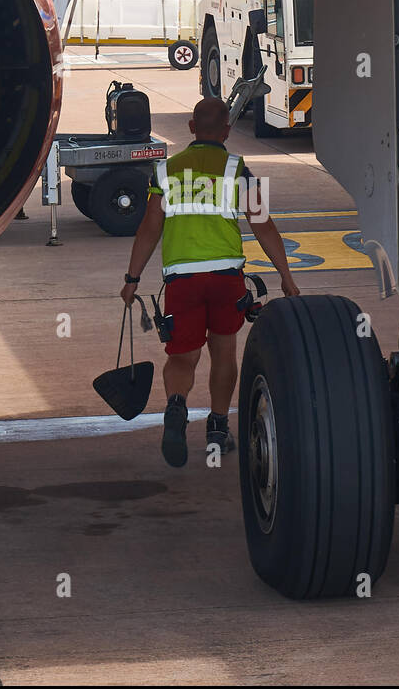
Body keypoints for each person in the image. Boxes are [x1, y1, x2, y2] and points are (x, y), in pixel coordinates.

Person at [121, 97, 300, 467]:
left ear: (191, 127)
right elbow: (262, 224)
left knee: (183, 356)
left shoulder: (166, 170)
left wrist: (132, 278)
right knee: (223, 352)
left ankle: (176, 406)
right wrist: (285, 275)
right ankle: (218, 426)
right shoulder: (238, 169)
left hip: (182, 280)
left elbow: (150, 227)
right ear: (227, 131)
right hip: (225, 279)